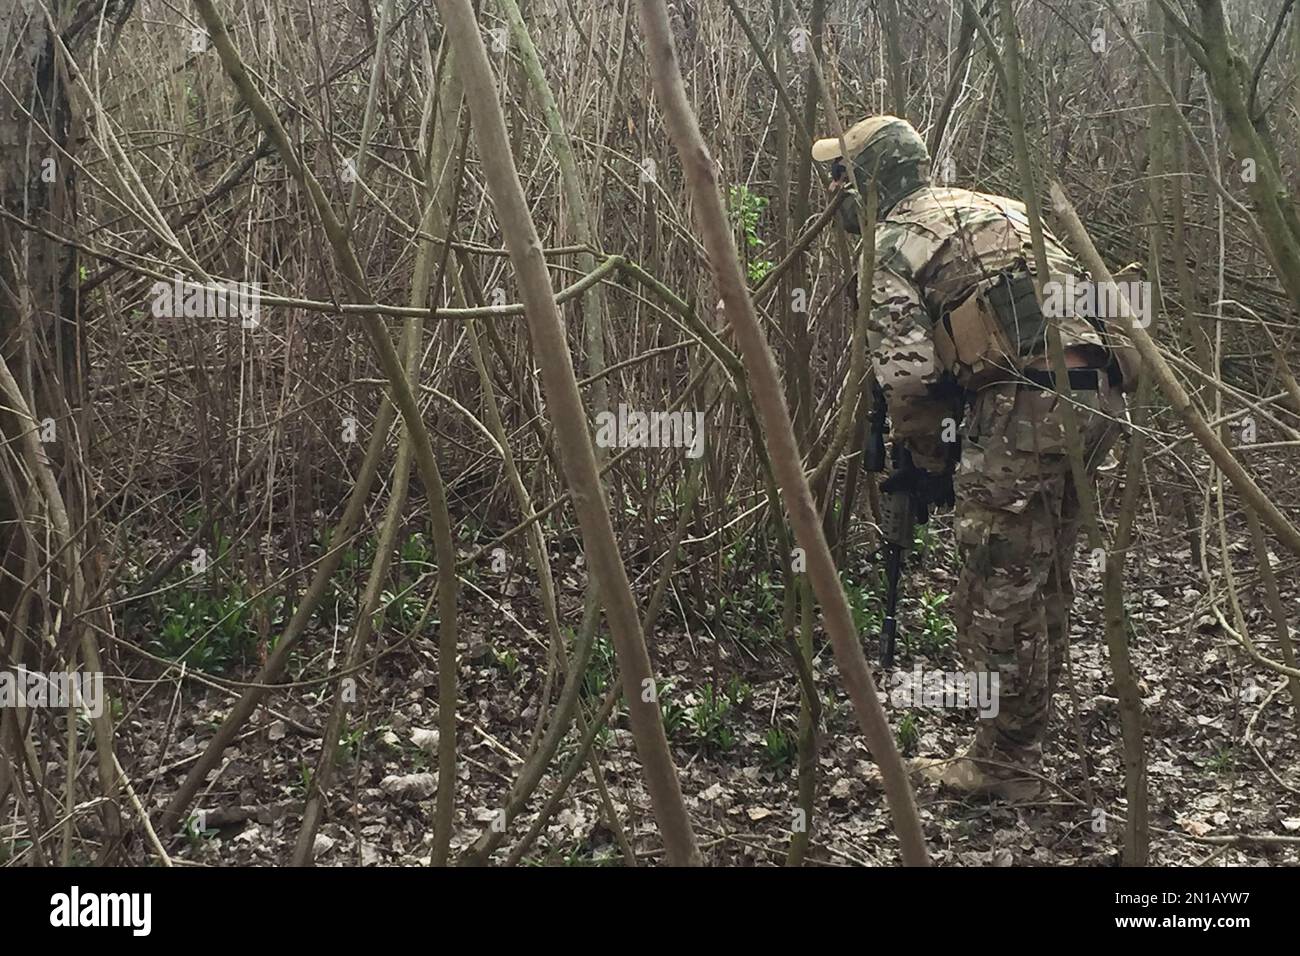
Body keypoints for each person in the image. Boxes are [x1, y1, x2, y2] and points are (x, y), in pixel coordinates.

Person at [812, 115, 1135, 799]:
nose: (832, 187)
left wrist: (928, 462)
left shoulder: (894, 240)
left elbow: (907, 376)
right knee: (1040, 577)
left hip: (1028, 407)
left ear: (868, 181)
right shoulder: (994, 207)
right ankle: (1024, 739)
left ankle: (1005, 765)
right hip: (1099, 395)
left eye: (841, 173)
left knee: (997, 586)